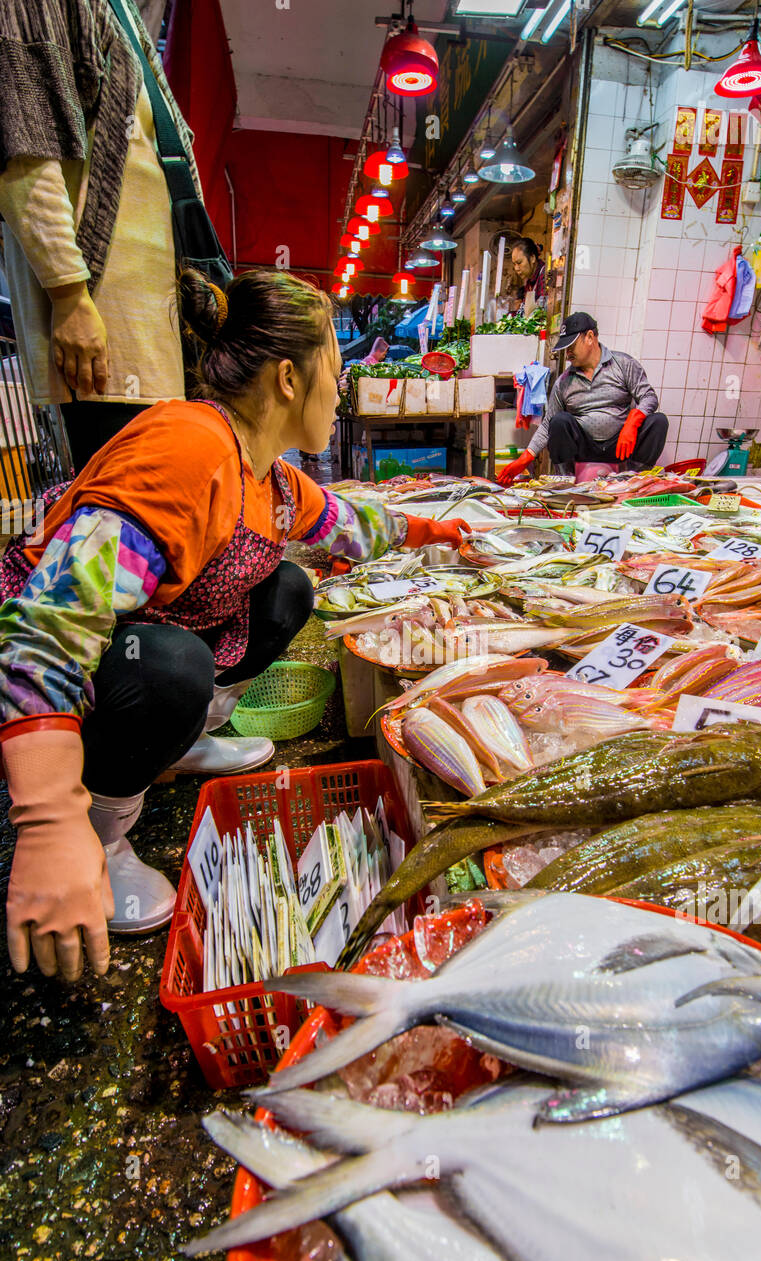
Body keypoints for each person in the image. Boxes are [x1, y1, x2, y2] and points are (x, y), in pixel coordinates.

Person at [0, 268, 466, 977]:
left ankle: (181, 742)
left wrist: (439, 531)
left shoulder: (268, 474)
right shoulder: (186, 449)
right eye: (335, 370)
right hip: (54, 675)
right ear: (288, 377)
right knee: (172, 668)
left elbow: (347, 524)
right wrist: (48, 821)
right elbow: (49, 623)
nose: (339, 394)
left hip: (134, 640)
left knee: (287, 587)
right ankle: (103, 835)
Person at [0, 0, 195, 472]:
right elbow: (23, 145)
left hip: (150, 325)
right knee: (124, 513)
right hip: (106, 322)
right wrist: (68, 294)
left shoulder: (120, 10)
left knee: (158, 505)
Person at [498, 312, 668, 484]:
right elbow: (548, 424)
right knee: (559, 421)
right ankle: (567, 481)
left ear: (589, 337)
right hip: (584, 447)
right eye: (566, 347)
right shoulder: (563, 382)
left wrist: (633, 421)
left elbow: (649, 397)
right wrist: (524, 460)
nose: (568, 352)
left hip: (620, 445)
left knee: (658, 421)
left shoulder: (623, 364)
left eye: (572, 345)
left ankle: (634, 481)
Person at [510, 237, 547, 312]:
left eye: (519, 262)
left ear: (532, 258)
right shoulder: (529, 283)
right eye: (514, 264)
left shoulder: (544, 276)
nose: (516, 268)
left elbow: (543, 311)